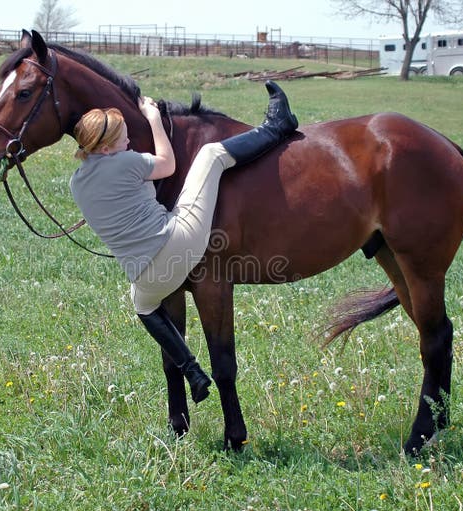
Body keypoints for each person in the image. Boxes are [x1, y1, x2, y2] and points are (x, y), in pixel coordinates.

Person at [70, 81, 298, 404]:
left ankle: (191, 368)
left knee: (144, 308)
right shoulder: (126, 162)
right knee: (211, 155)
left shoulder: (76, 183)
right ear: (105, 148)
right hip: (178, 244)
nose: (128, 140)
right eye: (122, 137)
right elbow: (168, 164)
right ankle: (277, 126)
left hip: (144, 278)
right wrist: (151, 117)